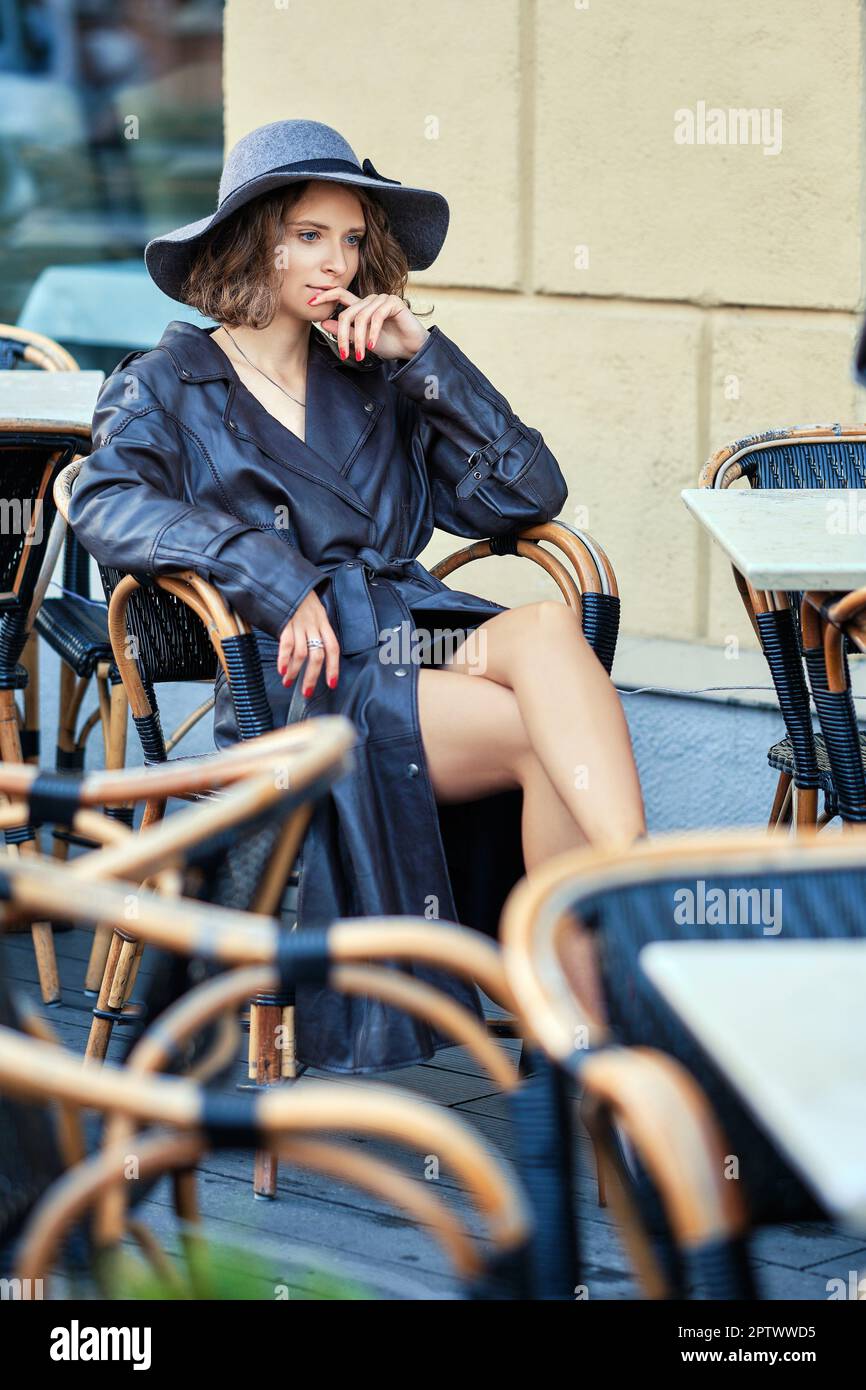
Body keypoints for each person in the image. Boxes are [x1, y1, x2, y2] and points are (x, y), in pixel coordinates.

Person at [69, 119, 645, 1072]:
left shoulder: (373, 371)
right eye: (307, 234)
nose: (335, 259)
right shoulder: (170, 382)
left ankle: (624, 920)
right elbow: (105, 501)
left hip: (408, 633)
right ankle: (604, 1024)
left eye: (348, 237)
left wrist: (427, 359)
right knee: (536, 743)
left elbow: (528, 494)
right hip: (301, 678)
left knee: (547, 628)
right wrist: (269, 570)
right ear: (252, 238)